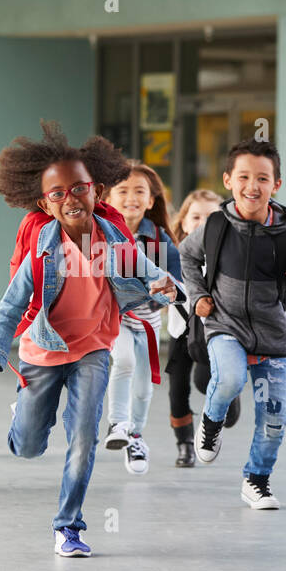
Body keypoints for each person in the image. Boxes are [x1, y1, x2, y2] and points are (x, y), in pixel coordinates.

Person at [0, 122, 177, 558]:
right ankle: (27, 417)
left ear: (97, 191)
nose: (70, 199)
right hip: (43, 351)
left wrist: (165, 285)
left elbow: (149, 271)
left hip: (92, 351)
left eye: (79, 188)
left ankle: (68, 527)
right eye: (57, 193)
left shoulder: (114, 244)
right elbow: (9, 309)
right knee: (28, 446)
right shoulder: (43, 252)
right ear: (45, 203)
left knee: (84, 438)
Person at [179, 139, 286, 508]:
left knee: (274, 419)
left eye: (262, 178)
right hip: (224, 325)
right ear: (228, 181)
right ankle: (212, 421)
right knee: (229, 378)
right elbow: (186, 254)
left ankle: (256, 480)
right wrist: (199, 296)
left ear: (276, 185)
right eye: (244, 177)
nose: (252, 186)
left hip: (271, 336)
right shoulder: (216, 226)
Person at [101, 163, 182, 474]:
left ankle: (135, 436)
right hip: (115, 318)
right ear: (108, 197)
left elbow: (177, 282)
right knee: (123, 361)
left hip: (148, 322)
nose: (131, 197)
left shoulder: (160, 240)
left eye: (139, 191)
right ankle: (117, 424)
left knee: (145, 388)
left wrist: (171, 294)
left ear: (151, 200)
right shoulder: (99, 233)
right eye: (123, 191)